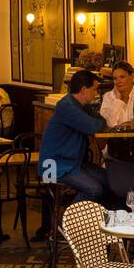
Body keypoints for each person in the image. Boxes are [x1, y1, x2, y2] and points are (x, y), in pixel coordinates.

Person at [38, 69, 110, 204]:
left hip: (72, 163)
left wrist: (98, 122)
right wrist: (98, 122)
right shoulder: (66, 106)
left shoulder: (82, 105)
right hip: (53, 166)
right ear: (83, 90)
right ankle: (69, 222)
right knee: (94, 190)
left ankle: (93, 221)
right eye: (94, 90)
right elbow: (94, 126)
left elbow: (101, 120)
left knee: (110, 181)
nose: (96, 94)